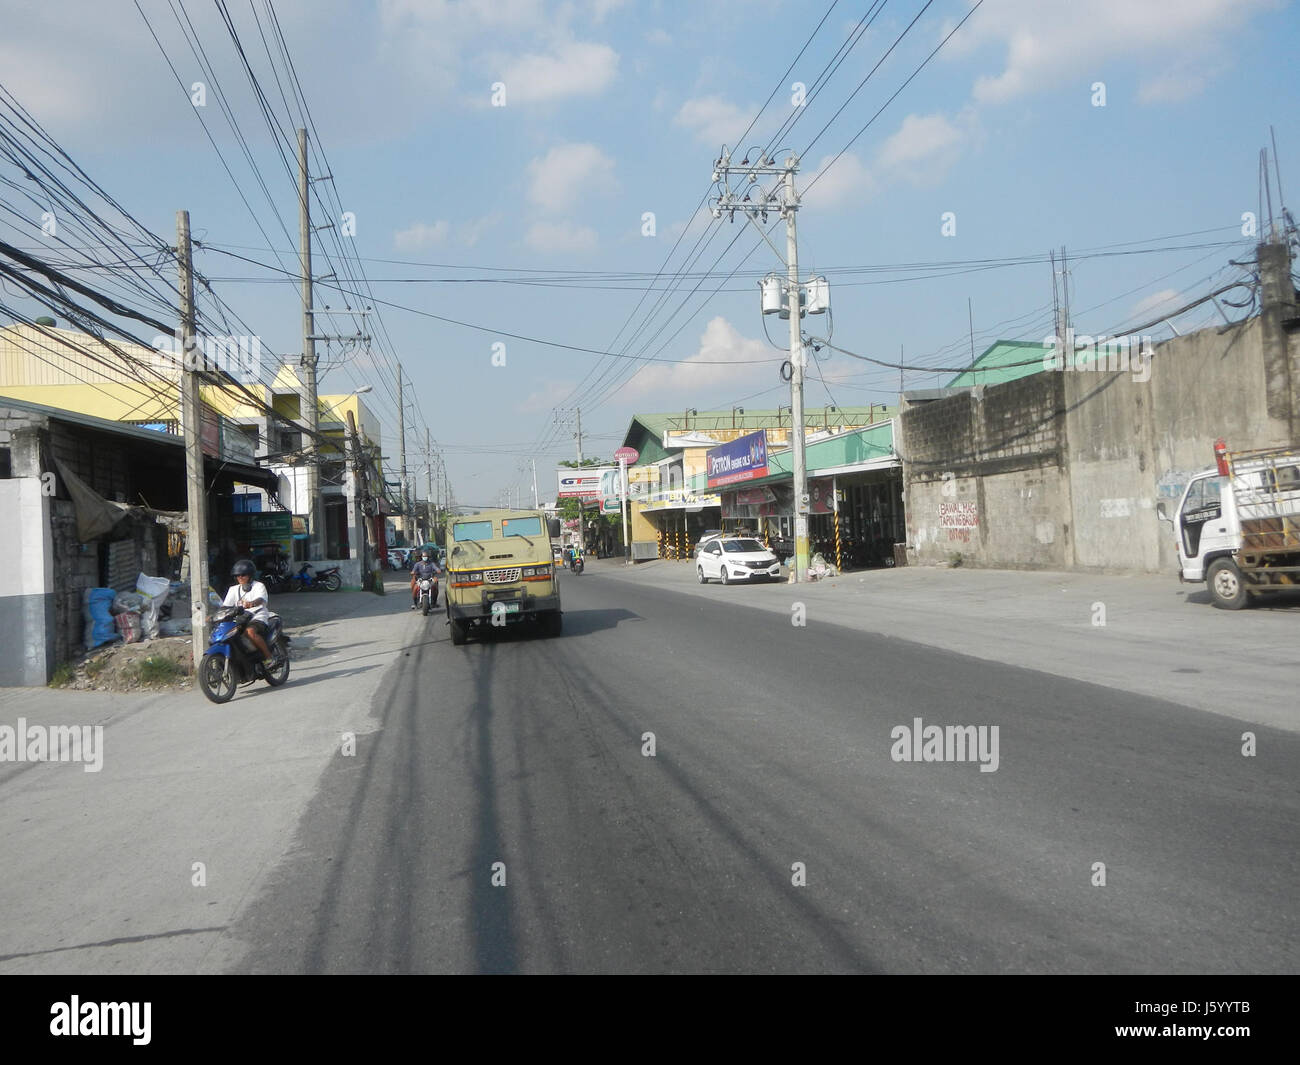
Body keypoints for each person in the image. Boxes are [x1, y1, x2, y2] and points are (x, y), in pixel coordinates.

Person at [223, 559, 276, 669]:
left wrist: (252, 603)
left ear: (250, 575)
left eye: (243, 575)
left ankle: (269, 658)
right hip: (240, 619)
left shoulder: (258, 586)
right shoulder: (233, 589)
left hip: (257, 616)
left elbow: (261, 599)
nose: (240, 578)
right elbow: (225, 606)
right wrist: (213, 615)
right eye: (237, 575)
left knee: (250, 632)